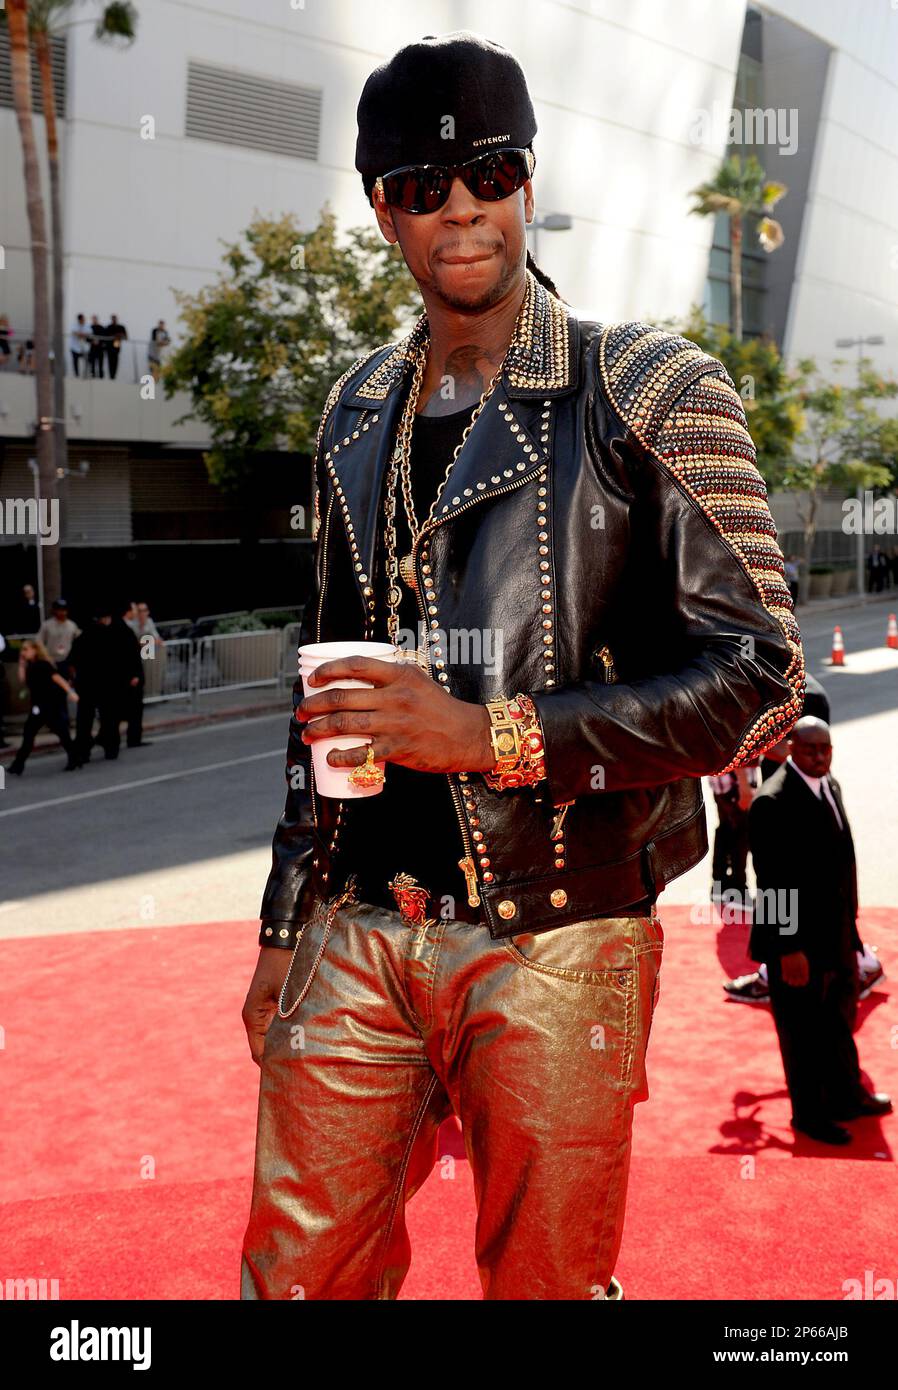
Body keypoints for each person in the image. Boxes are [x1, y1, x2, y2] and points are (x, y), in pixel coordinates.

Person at [239, 31, 805, 1303]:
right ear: (381, 209)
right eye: (418, 187)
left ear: (528, 179)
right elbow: (316, 692)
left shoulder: (651, 386)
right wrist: (287, 919)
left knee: (543, 1285)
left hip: (561, 934)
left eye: (487, 171)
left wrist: (489, 734)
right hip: (357, 919)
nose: (460, 210)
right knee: (298, 1276)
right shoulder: (353, 409)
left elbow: (760, 674)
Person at [748, 719, 891, 1145]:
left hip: (835, 936)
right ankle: (809, 1116)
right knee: (803, 1033)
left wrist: (851, 930)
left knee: (838, 1022)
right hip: (796, 945)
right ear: (791, 748)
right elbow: (773, 883)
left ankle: (846, 1096)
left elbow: (842, 863)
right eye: (811, 749)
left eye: (826, 749)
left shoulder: (831, 786)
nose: (820, 757)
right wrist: (789, 948)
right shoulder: (771, 802)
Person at [70, 604, 142, 763]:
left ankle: (93, 748)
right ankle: (99, 748)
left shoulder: (92, 634)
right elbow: (130, 655)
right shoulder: (111, 633)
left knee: (96, 717)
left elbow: (132, 654)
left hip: (98, 683)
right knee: (102, 717)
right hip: (100, 683)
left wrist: (134, 674)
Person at [6, 638, 79, 775]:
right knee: (30, 734)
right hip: (38, 706)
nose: (24, 652)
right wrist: (21, 664)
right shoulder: (30, 666)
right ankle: (18, 764)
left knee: (61, 734)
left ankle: (74, 758)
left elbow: (57, 678)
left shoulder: (43, 665)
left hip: (49, 705)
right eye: (23, 650)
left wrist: (70, 692)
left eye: (26, 649)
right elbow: (23, 681)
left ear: (35, 650)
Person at [122, 599, 161, 747]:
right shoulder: (126, 626)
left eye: (143, 610)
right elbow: (136, 648)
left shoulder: (145, 623)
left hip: (137, 669)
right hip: (130, 672)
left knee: (136, 708)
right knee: (129, 706)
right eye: (136, 610)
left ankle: (134, 738)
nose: (139, 613)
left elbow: (154, 642)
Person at [37, 598, 81, 683]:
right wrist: (46, 657)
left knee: (65, 686)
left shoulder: (72, 625)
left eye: (64, 610)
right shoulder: (47, 625)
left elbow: (79, 641)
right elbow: (39, 642)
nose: (62, 612)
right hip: (50, 661)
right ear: (54, 610)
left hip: (66, 662)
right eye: (59, 610)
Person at [105, 314, 128, 380]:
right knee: (110, 361)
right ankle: (111, 376)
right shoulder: (109, 327)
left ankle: (114, 376)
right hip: (109, 347)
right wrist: (114, 336)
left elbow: (126, 337)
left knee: (115, 361)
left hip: (117, 346)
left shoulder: (121, 327)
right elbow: (106, 336)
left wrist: (119, 336)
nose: (114, 320)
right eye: (113, 318)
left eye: (115, 318)